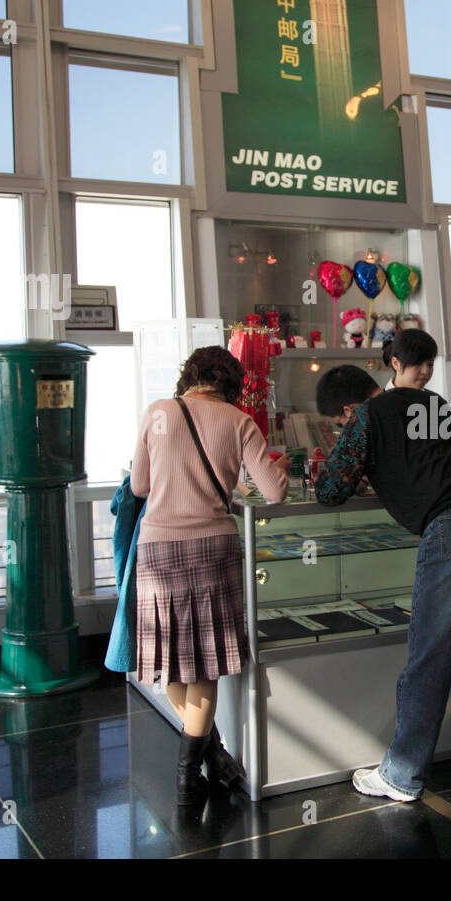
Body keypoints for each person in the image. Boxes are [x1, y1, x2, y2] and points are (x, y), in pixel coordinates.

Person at [313, 361, 451, 801]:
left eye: (338, 424)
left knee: (430, 652)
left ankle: (402, 774)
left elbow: (330, 489)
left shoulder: (367, 416)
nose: (342, 429)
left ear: (348, 409)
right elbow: (439, 458)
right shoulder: (426, 400)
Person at [130, 346, 290, 807]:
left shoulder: (158, 412)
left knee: (174, 655)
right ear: (232, 383)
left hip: (157, 547)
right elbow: (274, 493)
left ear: (190, 375)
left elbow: (141, 486)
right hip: (213, 546)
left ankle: (211, 759)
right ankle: (191, 774)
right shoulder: (239, 421)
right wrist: (275, 467)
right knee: (205, 662)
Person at [380, 328, 436, 392]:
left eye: (430, 364)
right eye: (417, 363)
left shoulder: (433, 400)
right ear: (396, 363)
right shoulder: (378, 401)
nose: (425, 371)